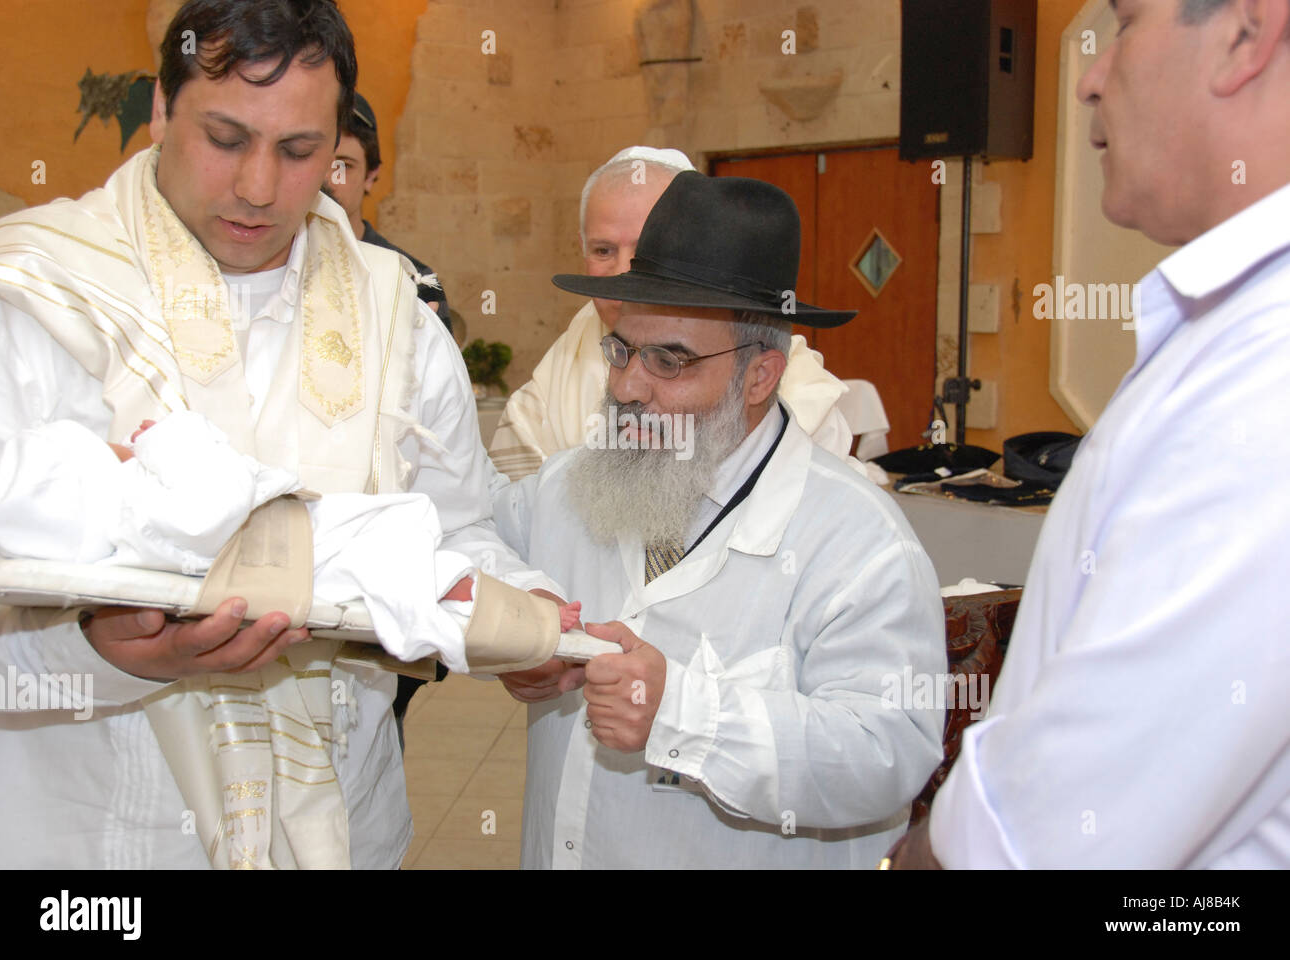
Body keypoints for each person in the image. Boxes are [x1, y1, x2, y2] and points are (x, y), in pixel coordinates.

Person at [0, 0, 554, 869]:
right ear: (158, 114)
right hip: (97, 841)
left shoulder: (393, 313)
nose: (258, 187)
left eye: (298, 153)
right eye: (224, 138)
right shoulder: (32, 298)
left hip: (344, 820)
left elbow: (457, 526)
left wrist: (525, 613)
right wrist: (109, 654)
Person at [891, 0, 1290, 869]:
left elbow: (1051, 838)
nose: (1087, 78)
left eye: (1125, 24)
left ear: (1245, 35)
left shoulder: (1267, 375)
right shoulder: (1225, 333)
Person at [492, 171, 946, 868]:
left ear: (760, 376)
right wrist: (514, 643)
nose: (627, 386)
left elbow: (887, 752)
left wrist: (682, 713)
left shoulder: (859, 544)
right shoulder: (564, 488)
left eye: (668, 361)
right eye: (620, 349)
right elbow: (468, 558)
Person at [487, 146, 855, 481]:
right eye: (603, 251)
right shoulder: (558, 371)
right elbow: (511, 508)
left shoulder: (794, 387)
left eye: (645, 252)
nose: (623, 273)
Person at [322, 90, 451, 331]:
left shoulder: (415, 281)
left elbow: (439, 368)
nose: (328, 178)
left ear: (371, 176)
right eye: (315, 159)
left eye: (344, 165)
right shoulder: (270, 265)